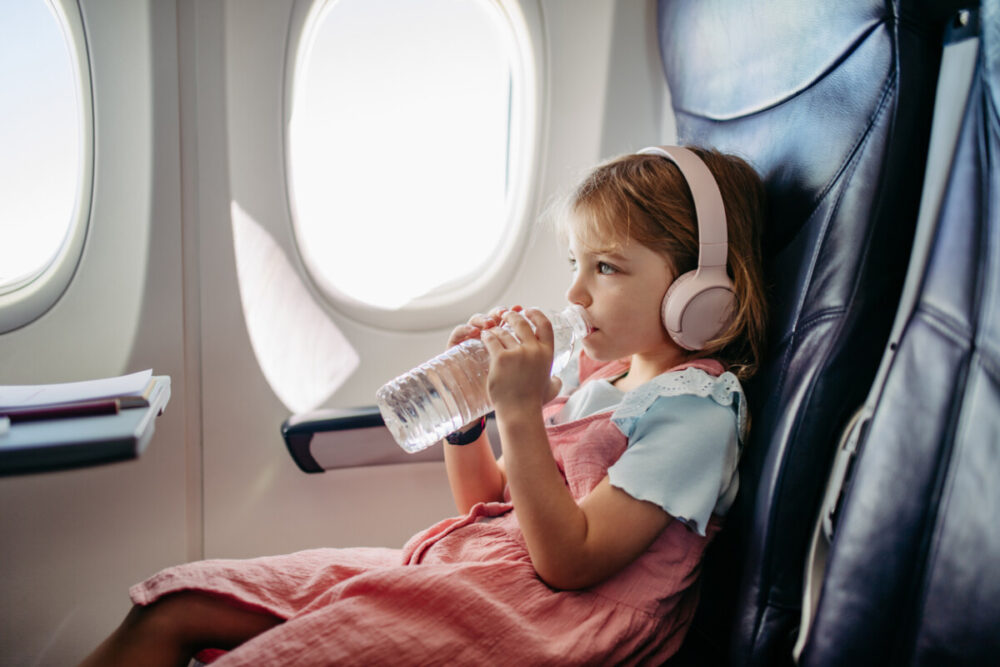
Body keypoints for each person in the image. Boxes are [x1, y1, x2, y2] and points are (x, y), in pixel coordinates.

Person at [80, 145, 767, 666]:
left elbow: (569, 558)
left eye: (607, 267)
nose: (576, 294)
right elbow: (487, 501)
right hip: (474, 573)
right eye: (574, 264)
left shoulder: (697, 413)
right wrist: (470, 411)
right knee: (175, 605)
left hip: (545, 622)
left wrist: (523, 413)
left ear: (699, 292)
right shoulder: (604, 379)